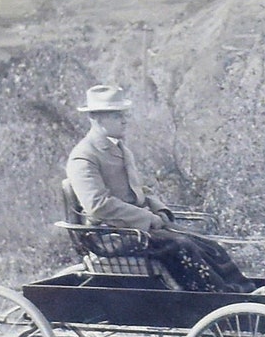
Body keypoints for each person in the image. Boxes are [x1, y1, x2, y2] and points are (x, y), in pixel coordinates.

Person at [66, 84, 254, 293]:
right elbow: (98, 206)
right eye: (117, 115)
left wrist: (160, 210)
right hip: (110, 234)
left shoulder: (120, 149)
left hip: (133, 229)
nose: (125, 119)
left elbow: (140, 190)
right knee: (181, 245)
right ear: (97, 118)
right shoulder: (84, 157)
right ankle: (218, 299)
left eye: (123, 114)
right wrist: (147, 219)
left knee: (205, 242)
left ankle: (244, 290)